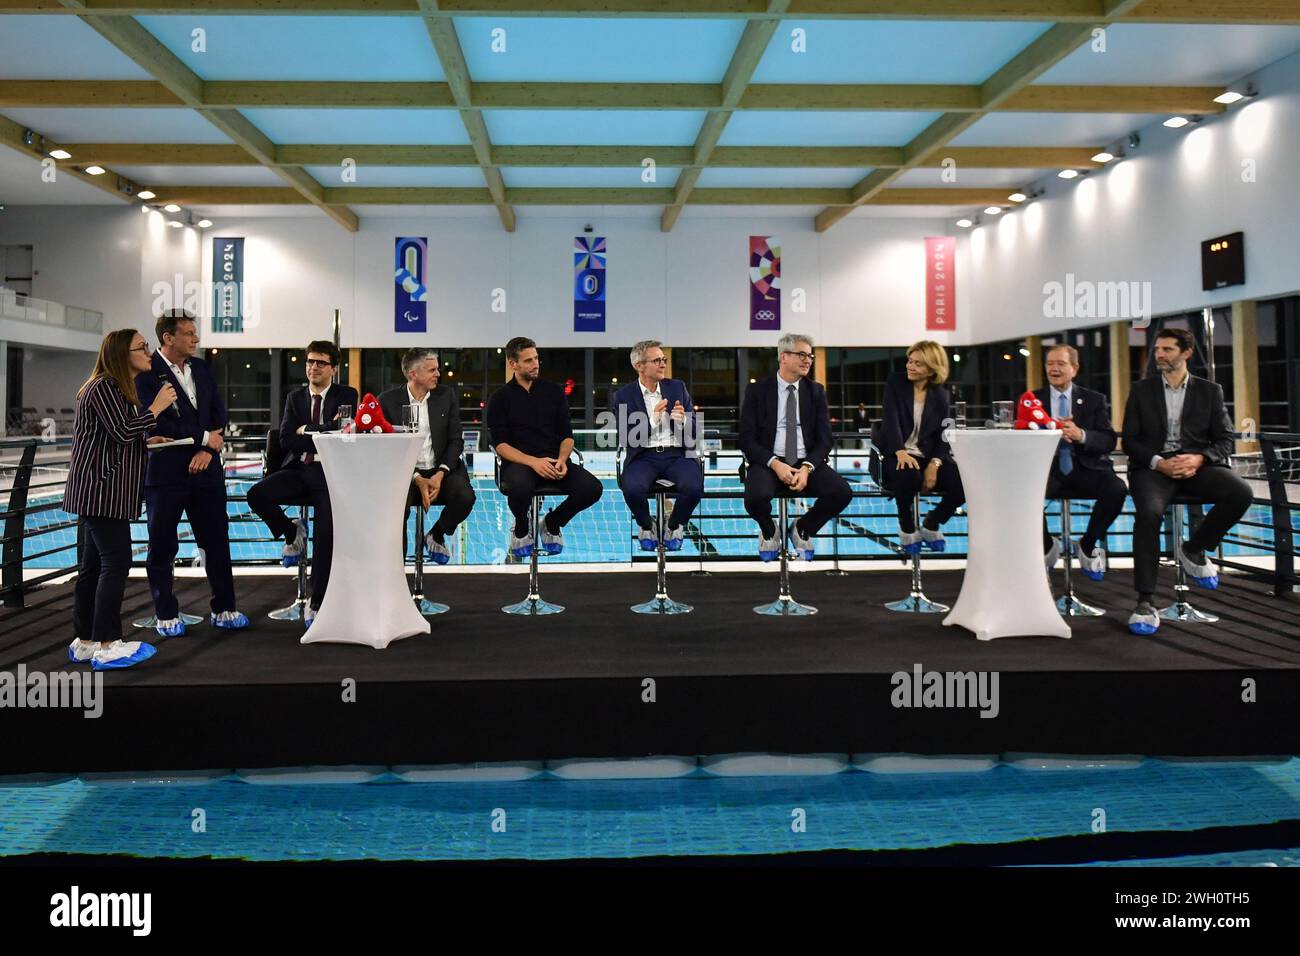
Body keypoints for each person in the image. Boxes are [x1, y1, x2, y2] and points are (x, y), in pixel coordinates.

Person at [1121, 327, 1253, 635]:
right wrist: (1159, 463)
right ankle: (1145, 601)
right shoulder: (1142, 390)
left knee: (1241, 492)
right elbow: (1130, 441)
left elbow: (1224, 440)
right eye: (1158, 350)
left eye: (1167, 350)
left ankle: (1194, 548)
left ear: (1187, 353)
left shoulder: (1210, 391)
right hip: (1153, 469)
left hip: (1196, 467)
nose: (1160, 355)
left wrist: (1199, 459)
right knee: (1149, 515)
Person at [64, 329, 177, 669]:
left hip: (100, 492)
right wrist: (156, 407)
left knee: (93, 568)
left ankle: (85, 641)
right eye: (141, 347)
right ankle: (108, 643)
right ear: (119, 353)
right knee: (115, 564)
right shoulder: (104, 387)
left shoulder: (110, 388)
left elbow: (117, 438)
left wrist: (148, 440)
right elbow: (124, 430)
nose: (148, 352)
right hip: (101, 493)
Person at [134, 309, 248, 637]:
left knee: (216, 541)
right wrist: (203, 438)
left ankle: (225, 608)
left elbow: (218, 413)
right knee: (162, 546)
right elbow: (157, 421)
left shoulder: (201, 367)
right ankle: (165, 612)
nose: (196, 339)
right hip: (166, 473)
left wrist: (207, 449)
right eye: (188, 333)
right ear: (168, 338)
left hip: (206, 470)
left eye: (195, 333)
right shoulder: (145, 372)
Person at [245, 341, 358, 628]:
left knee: (325, 534)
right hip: (299, 469)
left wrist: (307, 429)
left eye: (320, 363)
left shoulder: (347, 395)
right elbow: (285, 439)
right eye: (309, 362)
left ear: (334, 367)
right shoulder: (294, 398)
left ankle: (317, 603)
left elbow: (345, 433)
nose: (313, 367)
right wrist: (322, 431)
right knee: (257, 494)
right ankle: (291, 530)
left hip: (328, 473)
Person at [738, 333, 852, 561]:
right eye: (801, 354)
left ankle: (802, 527)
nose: (808, 360)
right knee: (754, 498)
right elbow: (746, 439)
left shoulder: (816, 391)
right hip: (769, 461)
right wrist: (775, 463)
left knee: (842, 492)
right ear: (783, 357)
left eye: (810, 355)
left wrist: (807, 467)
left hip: (806, 461)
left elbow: (825, 439)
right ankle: (770, 531)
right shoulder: (758, 391)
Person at [486, 336, 603, 557]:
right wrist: (533, 462)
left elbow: (567, 435)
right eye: (528, 360)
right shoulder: (499, 398)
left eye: (536, 358)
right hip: (520, 463)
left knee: (592, 489)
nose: (535, 364)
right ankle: (522, 527)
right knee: (520, 488)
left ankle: (552, 522)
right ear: (513, 364)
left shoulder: (553, 392)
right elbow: (501, 445)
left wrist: (561, 460)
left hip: (554, 461)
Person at [1035, 344, 1127, 580]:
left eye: (1060, 364)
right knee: (1023, 491)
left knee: (1116, 489)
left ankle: (1087, 543)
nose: (1053, 369)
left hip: (1086, 467)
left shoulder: (1094, 400)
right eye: (1049, 364)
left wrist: (1081, 435)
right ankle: (1046, 546)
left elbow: (1108, 440)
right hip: (1048, 469)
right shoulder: (1033, 400)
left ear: (1074, 368)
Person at [378, 347, 476, 565]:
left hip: (441, 469)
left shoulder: (445, 396)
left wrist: (440, 474)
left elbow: (455, 440)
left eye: (437, 369)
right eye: (432, 370)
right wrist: (415, 477)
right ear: (413, 374)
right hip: (404, 473)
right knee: (396, 511)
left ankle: (436, 534)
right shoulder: (387, 401)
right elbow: (386, 448)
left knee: (465, 496)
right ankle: (397, 573)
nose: (438, 374)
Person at [612, 340, 702, 551]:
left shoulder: (677, 387)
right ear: (639, 366)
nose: (663, 364)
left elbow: (696, 432)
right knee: (632, 489)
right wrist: (653, 420)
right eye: (657, 360)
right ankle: (645, 524)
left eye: (664, 359)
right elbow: (626, 439)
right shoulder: (623, 396)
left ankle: (674, 524)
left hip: (677, 454)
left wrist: (683, 421)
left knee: (694, 487)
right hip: (643, 457)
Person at [878, 340, 965, 554]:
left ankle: (932, 522)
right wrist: (900, 451)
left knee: (963, 481)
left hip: (925, 455)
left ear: (931, 368)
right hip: (895, 452)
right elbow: (890, 421)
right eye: (910, 361)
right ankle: (906, 526)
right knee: (910, 476)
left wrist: (935, 464)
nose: (910, 366)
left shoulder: (941, 395)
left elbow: (943, 435)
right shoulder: (895, 383)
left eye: (918, 364)